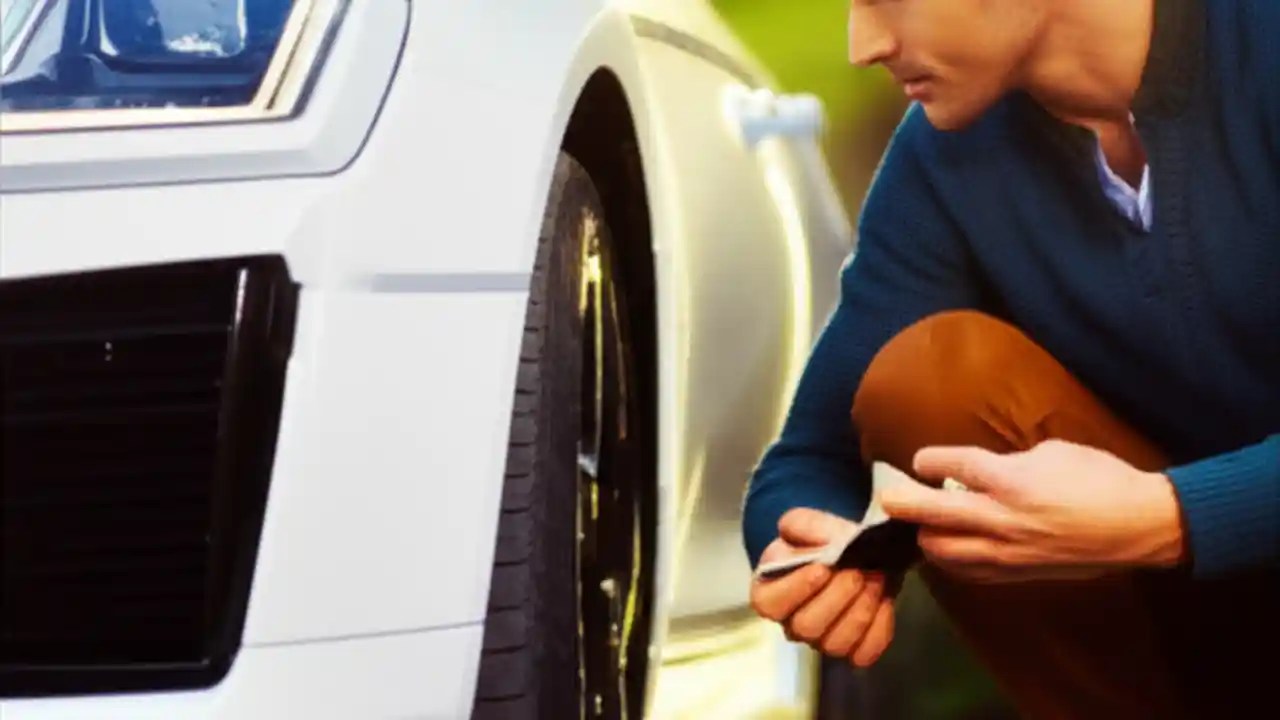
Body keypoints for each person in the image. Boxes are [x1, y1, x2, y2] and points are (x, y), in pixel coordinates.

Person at [742, 0, 1279, 718]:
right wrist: (820, 561)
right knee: (929, 377)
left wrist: (1168, 515)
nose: (863, 46)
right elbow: (808, 460)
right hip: (1185, 635)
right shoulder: (945, 155)